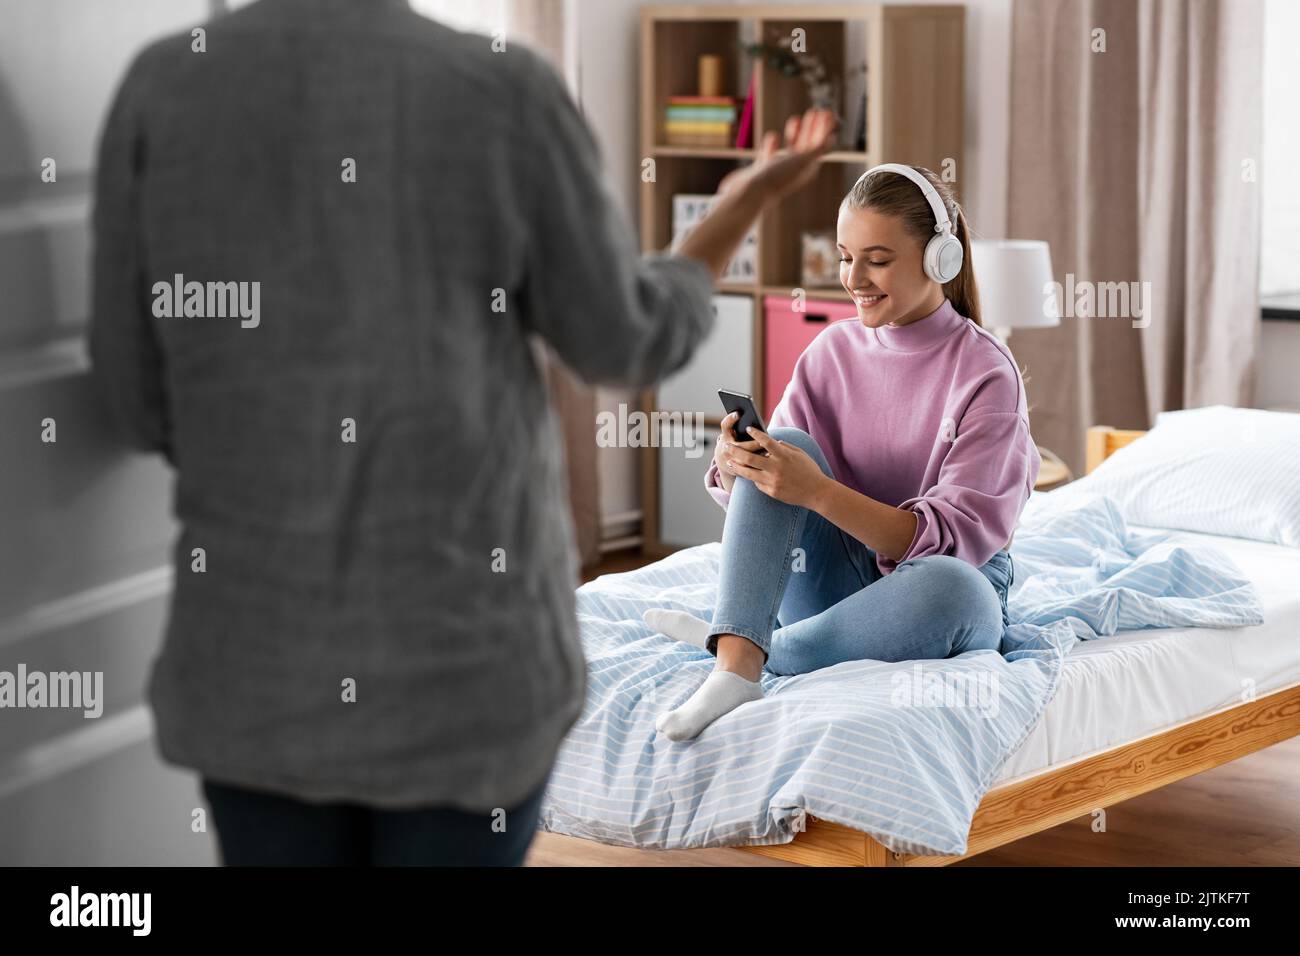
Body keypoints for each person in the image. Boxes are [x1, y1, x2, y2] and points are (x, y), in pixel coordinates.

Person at [88, 0, 837, 864]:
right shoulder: (501, 89)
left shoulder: (166, 84)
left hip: (258, 673)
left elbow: (134, 398)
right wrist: (742, 200)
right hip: (463, 672)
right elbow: (627, 342)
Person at [646, 164, 1041, 742]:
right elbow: (776, 499)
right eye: (843, 257)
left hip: (923, 596)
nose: (853, 278)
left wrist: (817, 491)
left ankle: (761, 650)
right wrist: (741, 465)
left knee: (957, 587)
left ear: (941, 260)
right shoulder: (830, 349)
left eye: (877, 260)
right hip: (827, 585)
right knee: (786, 444)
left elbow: (952, 543)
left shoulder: (986, 373)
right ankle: (736, 667)